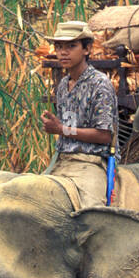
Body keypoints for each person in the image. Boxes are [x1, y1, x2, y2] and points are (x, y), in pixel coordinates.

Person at [40, 20, 120, 206]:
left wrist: (61, 129)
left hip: (91, 162)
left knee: (91, 212)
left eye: (71, 46)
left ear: (87, 49)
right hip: (62, 159)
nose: (63, 52)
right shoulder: (62, 86)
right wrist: (57, 128)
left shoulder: (100, 84)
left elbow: (104, 135)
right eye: (59, 47)